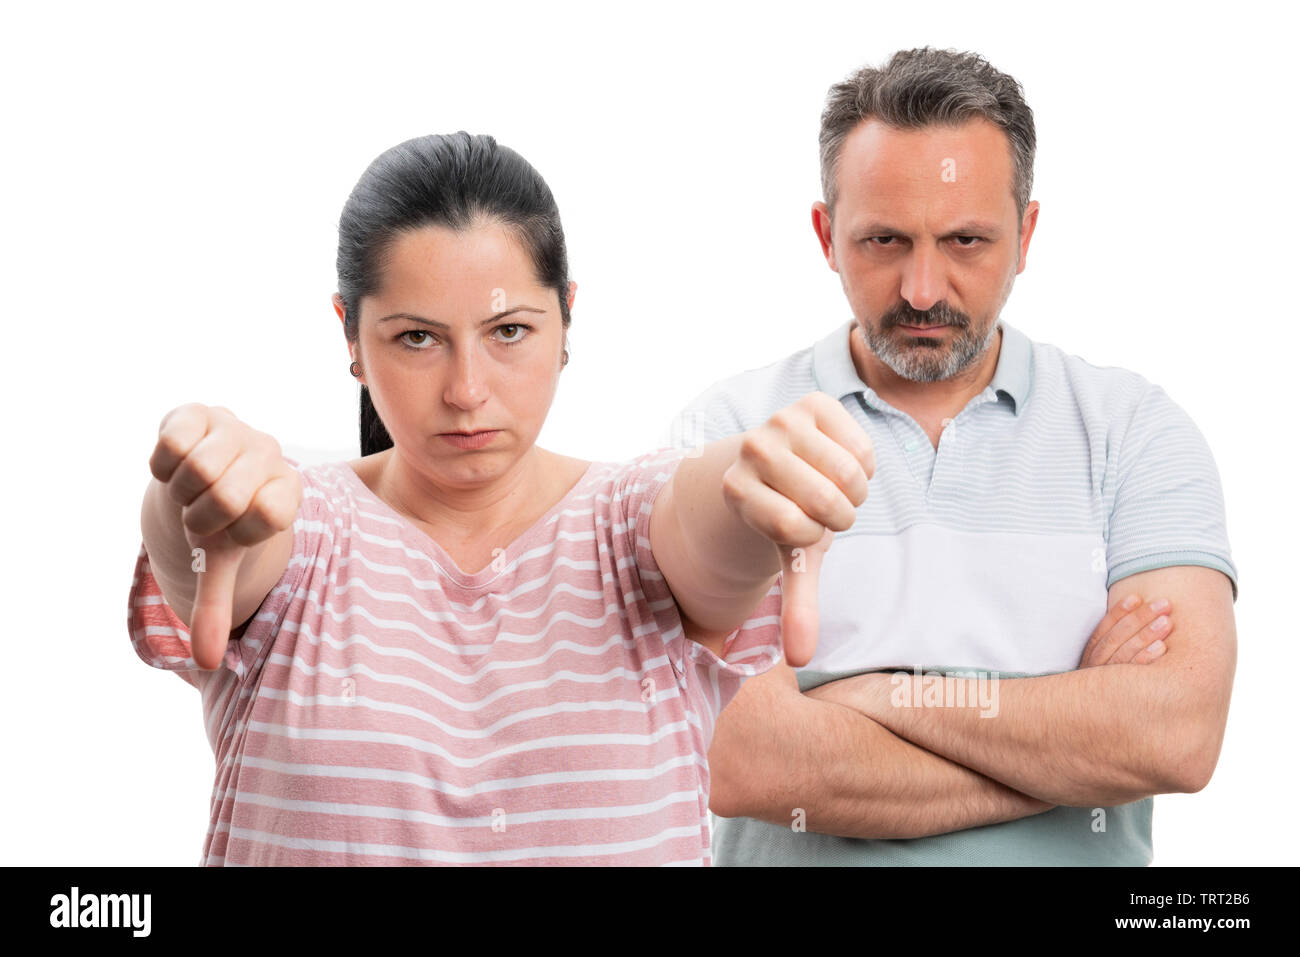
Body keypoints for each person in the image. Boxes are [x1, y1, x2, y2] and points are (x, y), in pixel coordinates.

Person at [128, 131, 876, 866]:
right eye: (417, 338)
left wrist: (758, 480)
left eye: (509, 330)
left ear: (566, 320)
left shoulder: (630, 530)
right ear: (350, 335)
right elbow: (214, 550)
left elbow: (705, 515)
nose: (467, 390)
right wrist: (192, 487)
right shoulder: (295, 528)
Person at [661, 47, 1239, 865]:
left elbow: (1176, 735)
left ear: (1027, 234)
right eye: (885, 240)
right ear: (827, 235)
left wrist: (871, 694)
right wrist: (1074, 743)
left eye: (966, 240)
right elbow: (739, 758)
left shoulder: (1133, 431)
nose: (924, 288)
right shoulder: (727, 429)